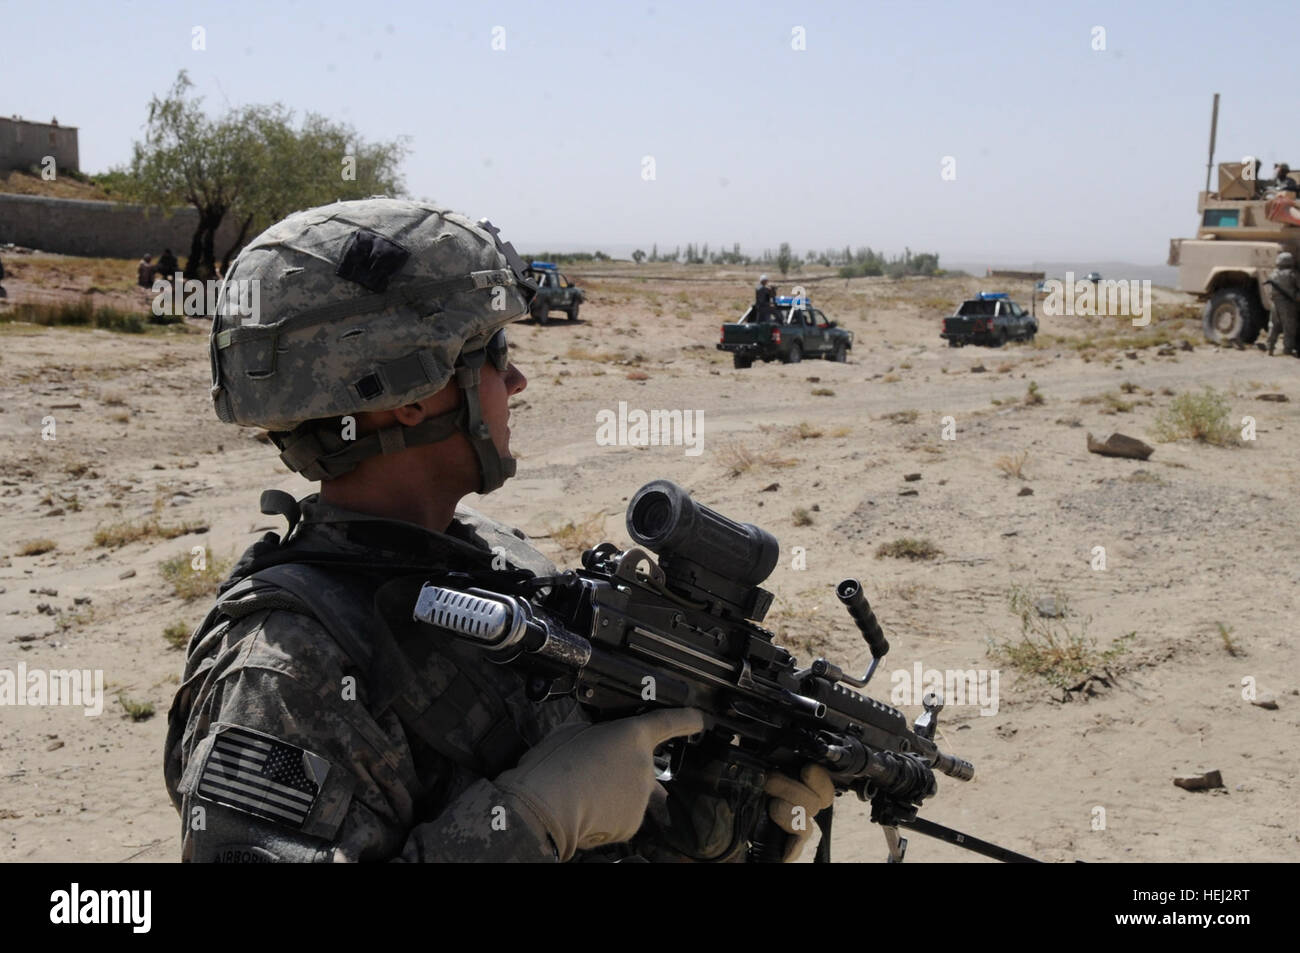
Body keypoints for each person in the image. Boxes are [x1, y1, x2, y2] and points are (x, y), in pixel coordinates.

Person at [164, 198, 831, 863]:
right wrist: (527, 822)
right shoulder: (281, 670)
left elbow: (607, 809)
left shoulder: (489, 558)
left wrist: (717, 829)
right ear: (414, 393)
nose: (515, 379)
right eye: (494, 351)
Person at [1266, 251, 1299, 357]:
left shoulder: (1274, 274)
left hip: (1275, 304)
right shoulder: (1292, 274)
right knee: (1289, 326)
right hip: (1288, 304)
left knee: (1274, 325)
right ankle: (1287, 349)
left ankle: (1270, 348)